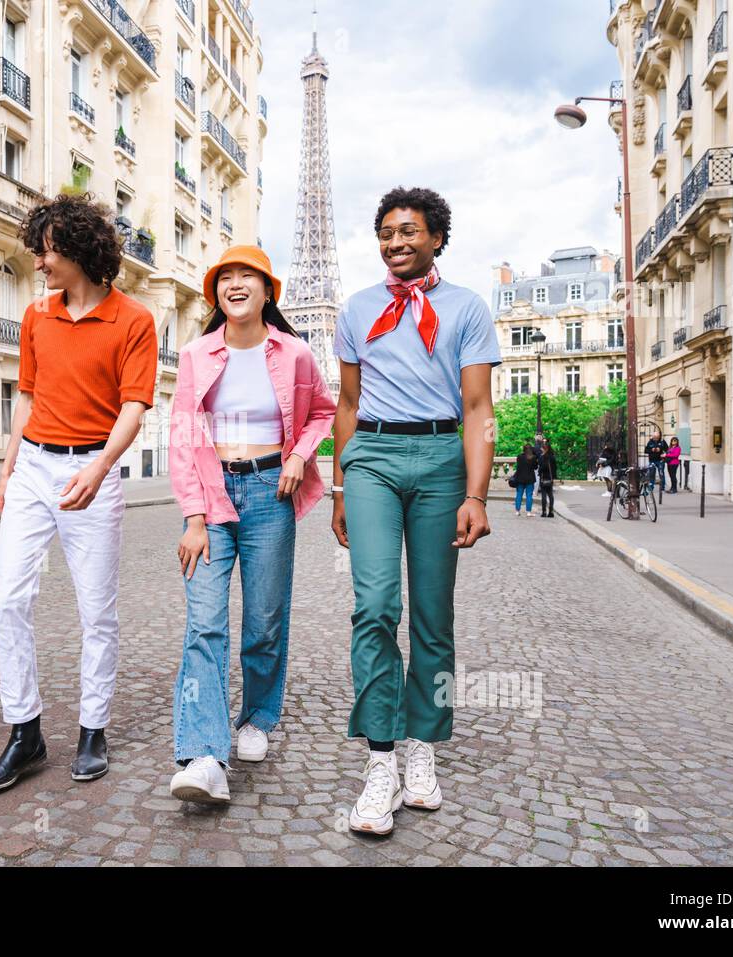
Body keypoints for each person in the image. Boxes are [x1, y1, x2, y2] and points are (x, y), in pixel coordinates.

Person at [0, 193, 158, 794]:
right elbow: (25, 397)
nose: (39, 262)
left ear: (79, 249)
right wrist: (7, 469)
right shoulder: (35, 316)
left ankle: (92, 728)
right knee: (5, 598)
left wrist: (100, 470)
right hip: (33, 468)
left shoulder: (134, 320)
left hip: (92, 473)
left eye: (47, 250)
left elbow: (133, 408)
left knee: (95, 611)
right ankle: (25, 731)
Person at [330, 187, 499, 834]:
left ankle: (422, 751)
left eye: (408, 231)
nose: (395, 242)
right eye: (385, 232)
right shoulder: (356, 309)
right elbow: (346, 404)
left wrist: (476, 495)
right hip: (370, 453)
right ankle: (380, 763)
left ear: (436, 238)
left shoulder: (466, 308)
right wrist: (341, 488)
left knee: (433, 615)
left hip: (438, 459)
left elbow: (479, 409)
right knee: (374, 605)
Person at [166, 246, 337, 805]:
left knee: (264, 620)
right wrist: (194, 517)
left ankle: (257, 718)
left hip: (271, 492)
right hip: (213, 497)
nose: (235, 285)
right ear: (216, 292)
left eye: (248, 277)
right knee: (204, 624)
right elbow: (185, 436)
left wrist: (299, 455)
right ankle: (204, 755)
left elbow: (323, 413)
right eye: (225, 278)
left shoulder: (295, 354)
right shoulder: (194, 355)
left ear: (268, 291)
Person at [511, 443, 537, 517]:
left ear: (524, 449)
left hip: (520, 478)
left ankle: (517, 511)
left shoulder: (519, 457)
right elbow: (535, 467)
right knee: (529, 495)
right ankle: (528, 512)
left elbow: (518, 467)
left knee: (519, 494)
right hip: (530, 479)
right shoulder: (533, 457)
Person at [537, 438, 558, 517]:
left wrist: (539, 472)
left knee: (544, 495)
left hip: (543, 478)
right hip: (550, 478)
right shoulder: (552, 457)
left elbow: (541, 468)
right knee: (550, 495)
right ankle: (551, 511)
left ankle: (544, 512)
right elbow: (555, 468)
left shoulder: (542, 457)